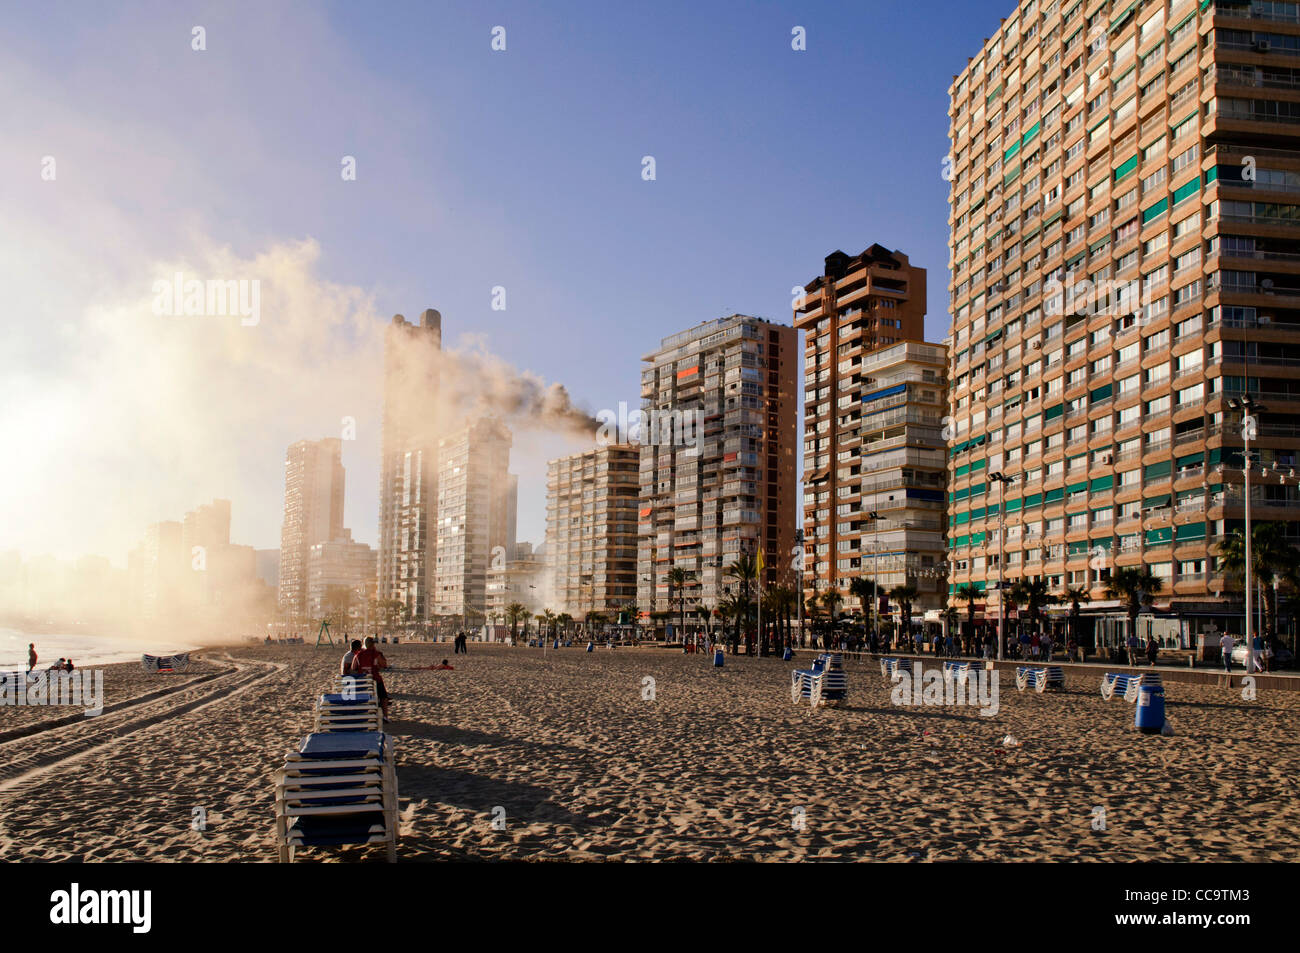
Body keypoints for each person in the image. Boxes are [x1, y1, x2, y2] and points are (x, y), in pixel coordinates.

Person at [350, 636, 391, 715]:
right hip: (374, 679)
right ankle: (385, 715)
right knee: (384, 697)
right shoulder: (375, 654)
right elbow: (384, 664)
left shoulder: (358, 655)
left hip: (362, 681)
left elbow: (353, 667)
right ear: (373, 644)